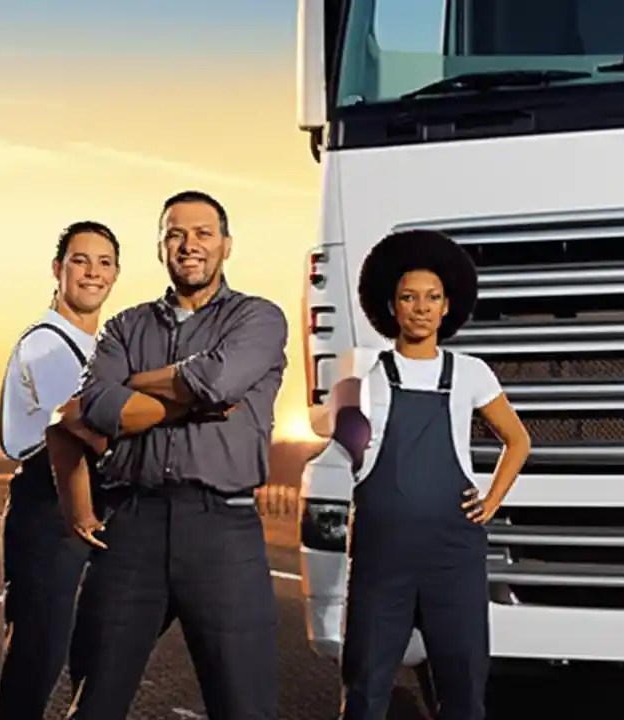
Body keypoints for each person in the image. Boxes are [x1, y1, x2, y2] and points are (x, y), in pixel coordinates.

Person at [45, 189, 287, 720]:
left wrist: (133, 387)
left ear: (226, 245)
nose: (189, 245)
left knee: (246, 708)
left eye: (202, 233)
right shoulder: (124, 326)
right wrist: (187, 399)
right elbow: (97, 406)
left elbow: (218, 380)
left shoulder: (260, 319)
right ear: (160, 248)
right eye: (175, 234)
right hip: (132, 526)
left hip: (224, 530)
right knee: (93, 705)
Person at [328, 228, 531, 720]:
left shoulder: (471, 373)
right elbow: (335, 429)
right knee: (364, 687)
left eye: (432, 298)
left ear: (446, 307)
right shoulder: (364, 374)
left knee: (462, 688)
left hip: (451, 558)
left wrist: (492, 500)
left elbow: (518, 440)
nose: (420, 307)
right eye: (409, 297)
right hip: (381, 556)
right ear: (391, 306)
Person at [0, 221, 120, 720]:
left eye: (104, 262)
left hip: (94, 500)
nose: (93, 272)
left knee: (93, 650)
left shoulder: (98, 347)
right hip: (50, 504)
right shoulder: (46, 343)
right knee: (37, 656)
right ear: (57, 269)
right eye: (80, 261)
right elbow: (84, 427)